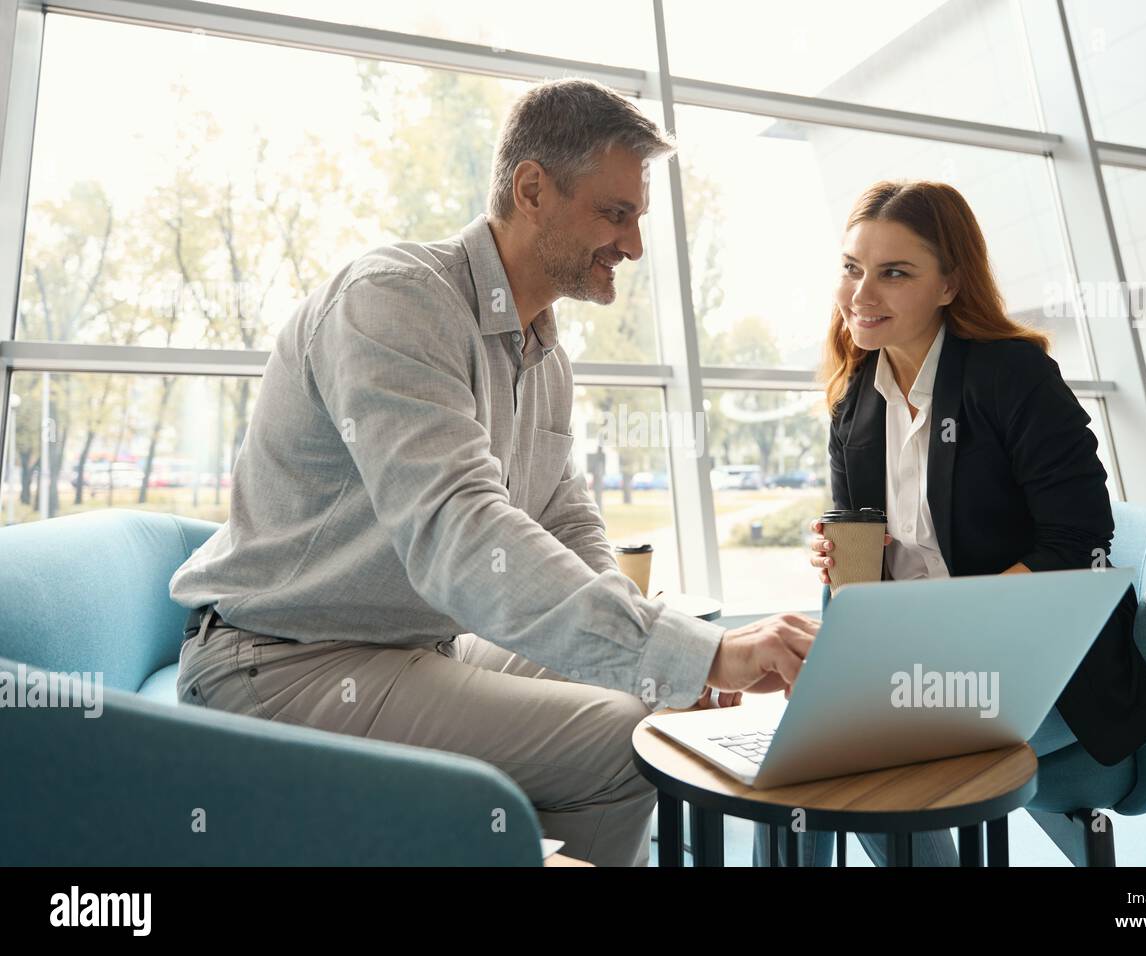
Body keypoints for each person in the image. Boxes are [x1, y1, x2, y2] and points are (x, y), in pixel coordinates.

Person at [171, 77, 817, 868]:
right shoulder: (395, 301)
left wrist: (661, 658)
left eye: (638, 218)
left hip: (411, 647)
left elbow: (563, 516)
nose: (635, 245)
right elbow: (463, 534)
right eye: (617, 214)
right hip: (282, 663)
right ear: (533, 188)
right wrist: (700, 653)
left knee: (652, 696)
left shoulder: (545, 353)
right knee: (632, 743)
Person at [753, 180, 1146, 867]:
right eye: (853, 268)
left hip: (1036, 658)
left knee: (872, 768)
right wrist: (844, 558)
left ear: (949, 284)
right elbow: (860, 540)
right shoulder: (857, 399)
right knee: (794, 762)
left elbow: (1079, 542)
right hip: (913, 661)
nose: (861, 294)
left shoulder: (1014, 377)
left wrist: (951, 629)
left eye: (894, 273)